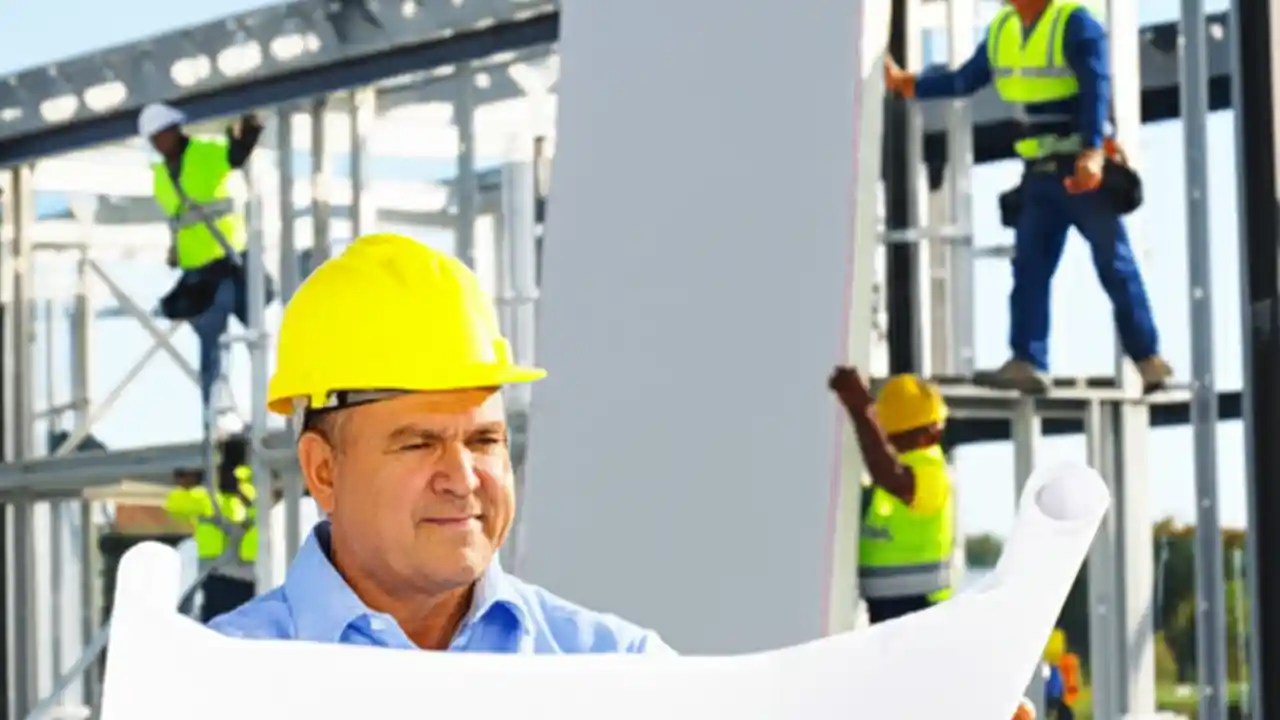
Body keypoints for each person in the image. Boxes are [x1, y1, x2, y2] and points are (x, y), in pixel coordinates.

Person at [207, 233, 672, 654]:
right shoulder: (207, 690)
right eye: (419, 444)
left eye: (485, 440)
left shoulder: (623, 673)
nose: (464, 478)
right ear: (324, 470)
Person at [883, 0, 1173, 394]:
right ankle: (1028, 361)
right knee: (1029, 270)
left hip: (1079, 171)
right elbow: (964, 80)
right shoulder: (1004, 29)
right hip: (1039, 174)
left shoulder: (1075, 23)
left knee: (1114, 264)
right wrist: (908, 84)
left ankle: (1148, 359)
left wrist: (1091, 152)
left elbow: (1096, 87)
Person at [137, 101, 269, 417]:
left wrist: (249, 131)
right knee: (211, 346)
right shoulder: (160, 175)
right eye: (153, 139)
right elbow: (179, 219)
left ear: (173, 130)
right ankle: (215, 417)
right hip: (198, 273)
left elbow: (234, 157)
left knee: (259, 336)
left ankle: (275, 406)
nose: (158, 144)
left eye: (160, 136)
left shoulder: (205, 152)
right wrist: (175, 250)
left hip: (228, 261)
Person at [829, 367, 955, 624]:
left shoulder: (931, 467)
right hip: (896, 605)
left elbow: (890, 475)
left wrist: (860, 409)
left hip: (919, 605)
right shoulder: (912, 462)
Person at [164, 436, 258, 622]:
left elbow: (173, 504)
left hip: (219, 573)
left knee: (218, 632)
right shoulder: (257, 488)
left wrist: (195, 481)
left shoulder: (208, 497)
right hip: (253, 572)